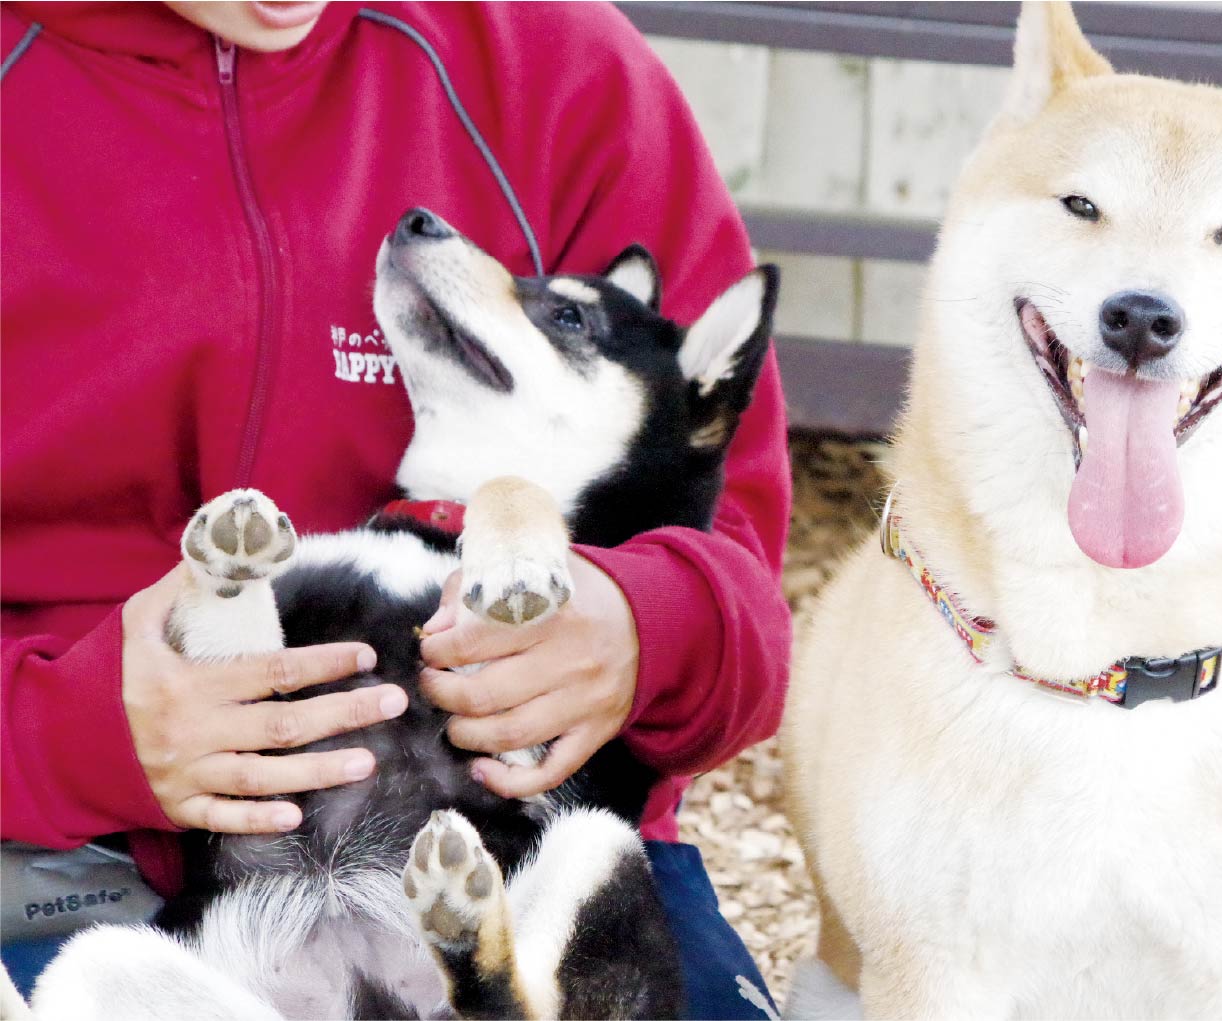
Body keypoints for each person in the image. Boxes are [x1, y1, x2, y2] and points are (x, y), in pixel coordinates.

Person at [0, 2, 791, 1016]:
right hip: (64, 855)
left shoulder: (554, 67)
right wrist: (60, 736)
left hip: (516, 856)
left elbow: (738, 568)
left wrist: (646, 623)